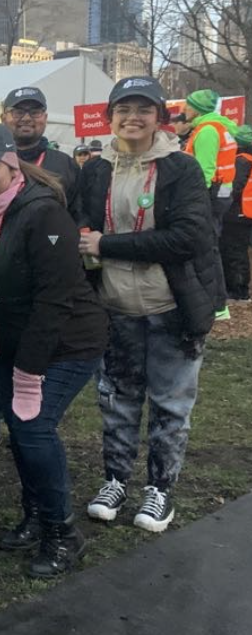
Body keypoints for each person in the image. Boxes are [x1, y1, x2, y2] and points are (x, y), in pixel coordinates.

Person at [0, 124, 107, 576]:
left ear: (11, 164)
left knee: (34, 428)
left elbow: (54, 299)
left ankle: (63, 532)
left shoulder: (44, 214)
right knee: (20, 431)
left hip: (64, 342)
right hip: (9, 339)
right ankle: (36, 515)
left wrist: (29, 370)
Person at [78, 76, 223, 534]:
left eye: (143, 109)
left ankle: (160, 489)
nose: (132, 118)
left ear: (159, 117)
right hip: (115, 306)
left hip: (171, 307)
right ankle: (115, 480)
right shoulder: (96, 169)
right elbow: (84, 225)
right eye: (123, 109)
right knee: (117, 401)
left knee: (170, 406)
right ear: (110, 117)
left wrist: (107, 244)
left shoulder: (180, 168)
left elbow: (187, 237)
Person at [0, 87, 81, 216]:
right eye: (18, 112)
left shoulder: (65, 164)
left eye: (35, 112)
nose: (26, 118)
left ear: (45, 118)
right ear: (3, 118)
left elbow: (78, 215)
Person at [181, 88, 239, 228]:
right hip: (220, 191)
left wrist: (197, 197)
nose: (184, 109)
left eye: (188, 105)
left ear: (198, 109)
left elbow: (204, 169)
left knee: (205, 234)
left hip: (210, 193)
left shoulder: (208, 131)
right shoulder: (217, 127)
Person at [219, 126, 252, 300]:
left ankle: (238, 290)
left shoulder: (241, 161)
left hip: (236, 213)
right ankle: (238, 288)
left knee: (233, 252)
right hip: (245, 212)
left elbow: (234, 187)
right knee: (238, 251)